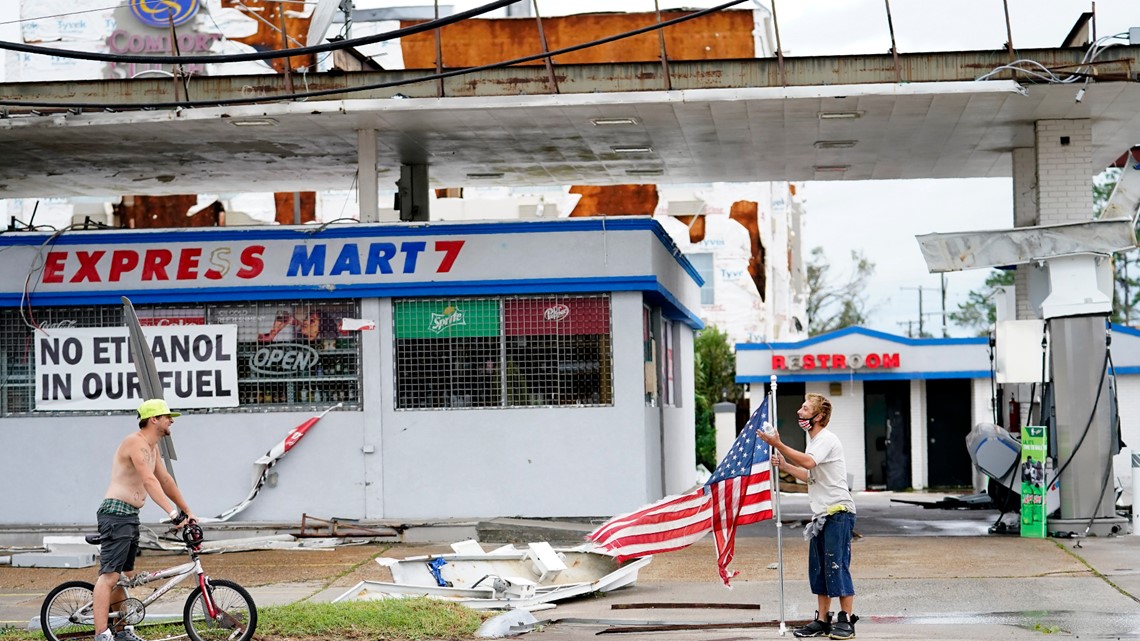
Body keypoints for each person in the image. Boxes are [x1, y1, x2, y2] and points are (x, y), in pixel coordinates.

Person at [92, 399, 196, 641]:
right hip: (115, 512)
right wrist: (173, 514)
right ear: (154, 420)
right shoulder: (135, 443)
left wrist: (187, 510)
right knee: (109, 576)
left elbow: (165, 480)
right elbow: (149, 481)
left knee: (124, 576)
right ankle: (101, 634)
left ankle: (121, 631)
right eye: (168, 416)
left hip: (130, 515)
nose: (171, 421)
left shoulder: (153, 448)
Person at [758, 393, 858, 639]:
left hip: (838, 513)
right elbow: (810, 476)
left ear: (819, 415)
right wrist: (784, 465)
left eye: (805, 409)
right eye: (801, 408)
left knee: (837, 565)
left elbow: (809, 463)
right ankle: (823, 621)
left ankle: (846, 620)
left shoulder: (826, 439)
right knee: (820, 569)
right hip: (822, 515)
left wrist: (779, 444)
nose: (800, 413)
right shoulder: (813, 442)